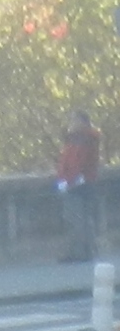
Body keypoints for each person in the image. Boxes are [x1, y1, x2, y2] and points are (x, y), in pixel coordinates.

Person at [60, 110, 103, 262]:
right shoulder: (82, 138)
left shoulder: (83, 139)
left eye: (74, 120)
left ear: (83, 122)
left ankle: (79, 252)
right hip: (81, 182)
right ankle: (86, 251)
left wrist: (67, 182)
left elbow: (78, 163)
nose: (71, 123)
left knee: (76, 219)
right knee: (83, 219)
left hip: (78, 183)